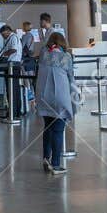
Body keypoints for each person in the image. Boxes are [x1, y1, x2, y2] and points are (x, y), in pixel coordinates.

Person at [35, 31, 75, 174]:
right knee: (58, 130)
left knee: (47, 127)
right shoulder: (66, 57)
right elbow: (71, 78)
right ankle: (56, 164)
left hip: (44, 97)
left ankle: (46, 158)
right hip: (60, 98)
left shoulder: (43, 54)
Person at [0, 22, 22, 120]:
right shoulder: (12, 38)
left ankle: (13, 113)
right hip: (12, 65)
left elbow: (14, 50)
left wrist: (4, 54)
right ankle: (15, 112)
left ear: (8, 31)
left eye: (3, 34)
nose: (3, 37)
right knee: (13, 89)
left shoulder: (13, 38)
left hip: (12, 65)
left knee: (12, 89)